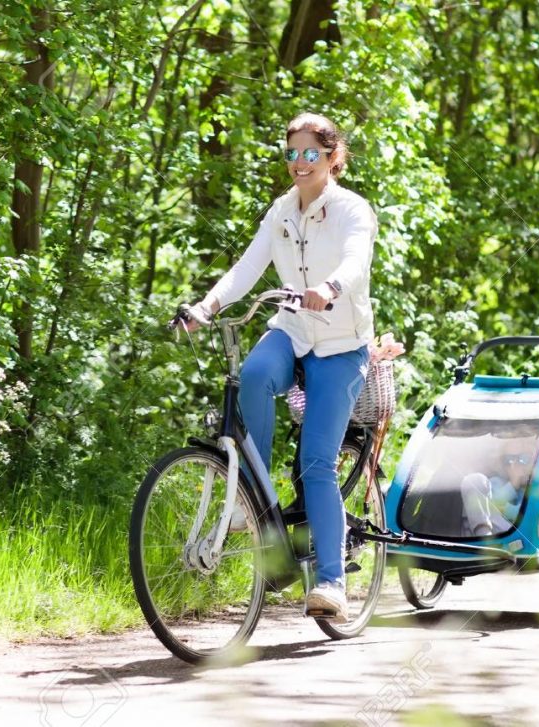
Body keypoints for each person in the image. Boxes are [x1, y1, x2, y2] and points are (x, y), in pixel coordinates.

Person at [179, 112, 377, 623]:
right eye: (291, 153)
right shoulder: (281, 211)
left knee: (316, 463)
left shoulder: (353, 210)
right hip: (293, 329)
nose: (299, 163)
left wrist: (329, 288)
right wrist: (207, 306)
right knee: (253, 375)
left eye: (311, 153)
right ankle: (253, 495)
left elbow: (355, 262)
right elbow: (248, 267)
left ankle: (331, 581)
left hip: (339, 343)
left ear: (333, 158)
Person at [460, 440, 533, 537]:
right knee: (474, 480)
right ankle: (484, 536)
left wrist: (508, 509)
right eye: (508, 460)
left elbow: (532, 517)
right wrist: (513, 484)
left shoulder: (536, 487)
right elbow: (489, 506)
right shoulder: (495, 482)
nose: (514, 466)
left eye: (522, 459)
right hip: (494, 533)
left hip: (519, 537)